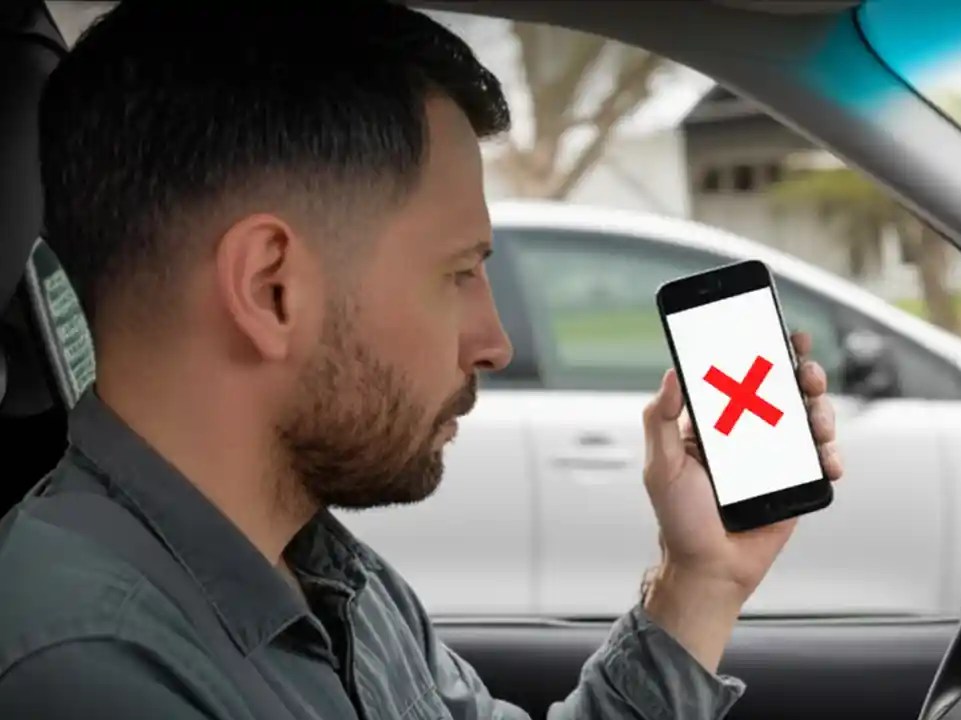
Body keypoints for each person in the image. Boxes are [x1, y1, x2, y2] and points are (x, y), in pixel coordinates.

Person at [0, 1, 843, 718]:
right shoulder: (88, 669)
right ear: (272, 290)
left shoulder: (321, 570)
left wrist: (699, 579)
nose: (495, 343)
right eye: (459, 273)